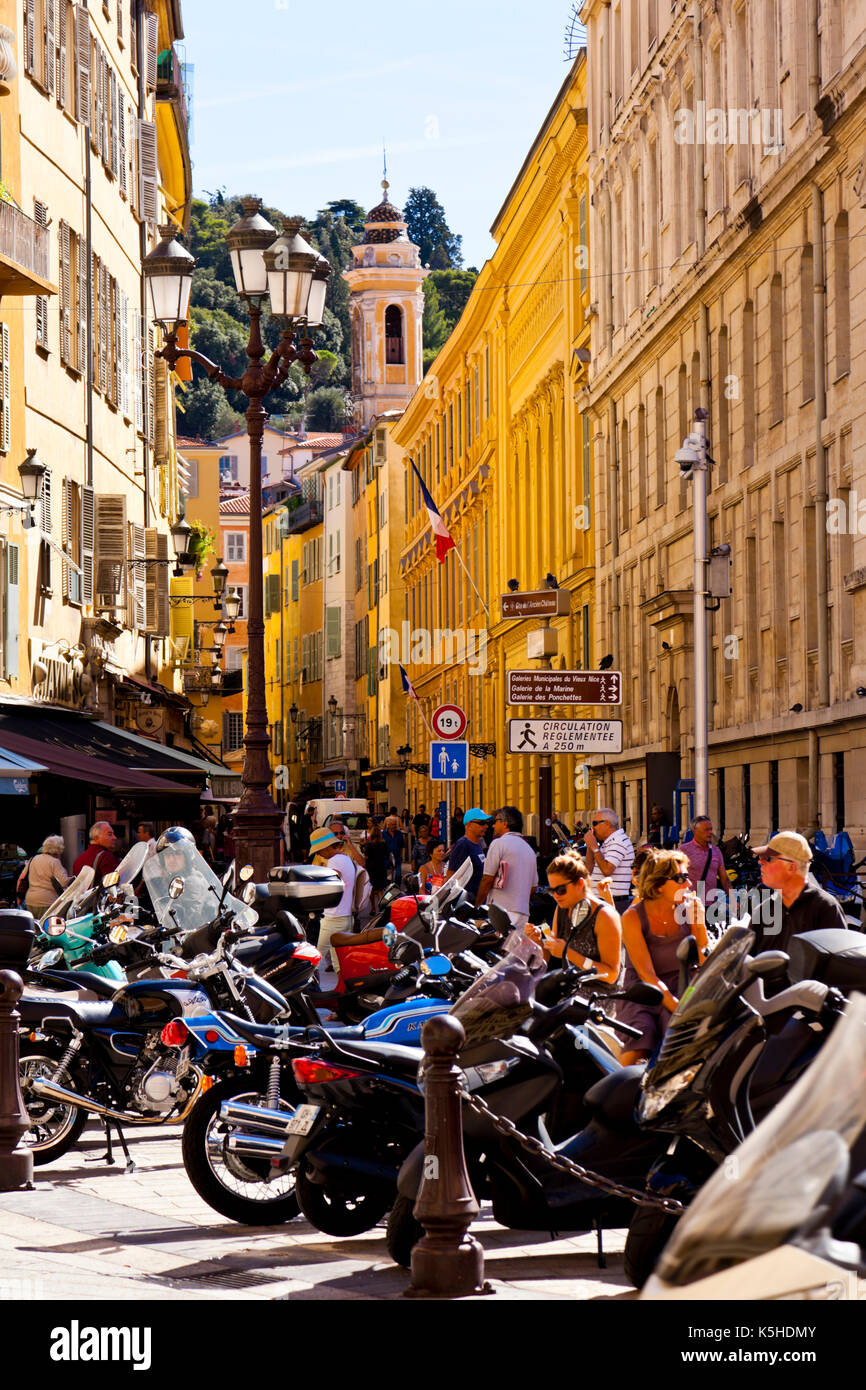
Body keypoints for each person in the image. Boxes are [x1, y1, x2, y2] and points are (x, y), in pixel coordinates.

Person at [618, 849, 709, 1066]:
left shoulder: (690, 909)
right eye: (680, 878)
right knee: (640, 1041)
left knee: (680, 1043)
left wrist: (699, 924)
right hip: (644, 991)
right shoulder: (633, 917)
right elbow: (646, 973)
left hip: (683, 986)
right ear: (658, 885)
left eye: (687, 877)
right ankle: (624, 1095)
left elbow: (703, 960)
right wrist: (678, 1008)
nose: (688, 885)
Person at [536, 852, 622, 988]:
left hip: (597, 1001)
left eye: (561, 889)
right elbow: (554, 955)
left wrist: (568, 953)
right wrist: (539, 940)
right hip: (568, 994)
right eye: (552, 891)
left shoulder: (604, 915)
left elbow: (611, 975)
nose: (556, 896)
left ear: (580, 883)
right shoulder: (562, 908)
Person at [754, 831, 847, 952]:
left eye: (768, 859)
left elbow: (838, 963)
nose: (760, 862)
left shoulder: (825, 907)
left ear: (791, 867)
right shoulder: (764, 909)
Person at [309, 828, 360, 985]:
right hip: (345, 916)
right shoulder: (345, 858)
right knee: (339, 962)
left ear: (326, 847)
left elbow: (330, 887)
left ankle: (306, 994)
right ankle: (343, 991)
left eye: (318, 851)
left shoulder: (334, 862)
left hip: (333, 917)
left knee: (314, 959)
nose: (318, 855)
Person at [476, 806, 539, 929]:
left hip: (500, 912)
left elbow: (487, 879)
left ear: (505, 823)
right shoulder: (529, 849)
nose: (493, 826)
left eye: (496, 821)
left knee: (498, 947)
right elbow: (533, 888)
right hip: (522, 913)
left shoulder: (498, 844)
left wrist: (477, 906)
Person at [583, 809, 635, 917]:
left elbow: (607, 870)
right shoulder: (608, 842)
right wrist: (590, 846)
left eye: (595, 824)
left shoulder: (619, 841)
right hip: (600, 902)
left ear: (607, 823)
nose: (593, 828)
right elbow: (589, 869)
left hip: (613, 903)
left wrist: (595, 847)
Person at [680, 816, 733, 900]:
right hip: (690, 904)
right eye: (706, 830)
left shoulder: (716, 851)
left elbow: (725, 879)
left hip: (711, 904)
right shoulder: (683, 850)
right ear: (695, 831)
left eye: (711, 829)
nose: (710, 832)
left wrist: (733, 900)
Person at [18, 835, 70, 916]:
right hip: (47, 901)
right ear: (58, 849)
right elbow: (63, 883)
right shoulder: (54, 862)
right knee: (47, 927)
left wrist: (19, 897)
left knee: (34, 927)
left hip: (30, 900)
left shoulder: (34, 859)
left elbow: (21, 878)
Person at [447, 810, 491, 900]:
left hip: (477, 900)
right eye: (482, 823)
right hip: (466, 904)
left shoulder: (478, 844)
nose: (486, 826)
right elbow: (451, 876)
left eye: (487, 823)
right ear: (469, 825)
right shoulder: (463, 845)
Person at [363, 823, 391, 907]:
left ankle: (373, 908)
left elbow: (366, 857)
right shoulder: (384, 844)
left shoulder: (369, 844)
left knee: (371, 889)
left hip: (371, 869)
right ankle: (381, 906)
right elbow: (387, 855)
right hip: (381, 868)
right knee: (380, 890)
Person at [382, 815, 405, 884]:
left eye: (395, 824)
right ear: (388, 825)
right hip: (386, 858)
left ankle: (397, 890)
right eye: (392, 825)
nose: (394, 826)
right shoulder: (383, 834)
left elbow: (402, 846)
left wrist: (402, 856)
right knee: (385, 876)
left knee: (398, 875)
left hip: (397, 857)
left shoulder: (399, 834)